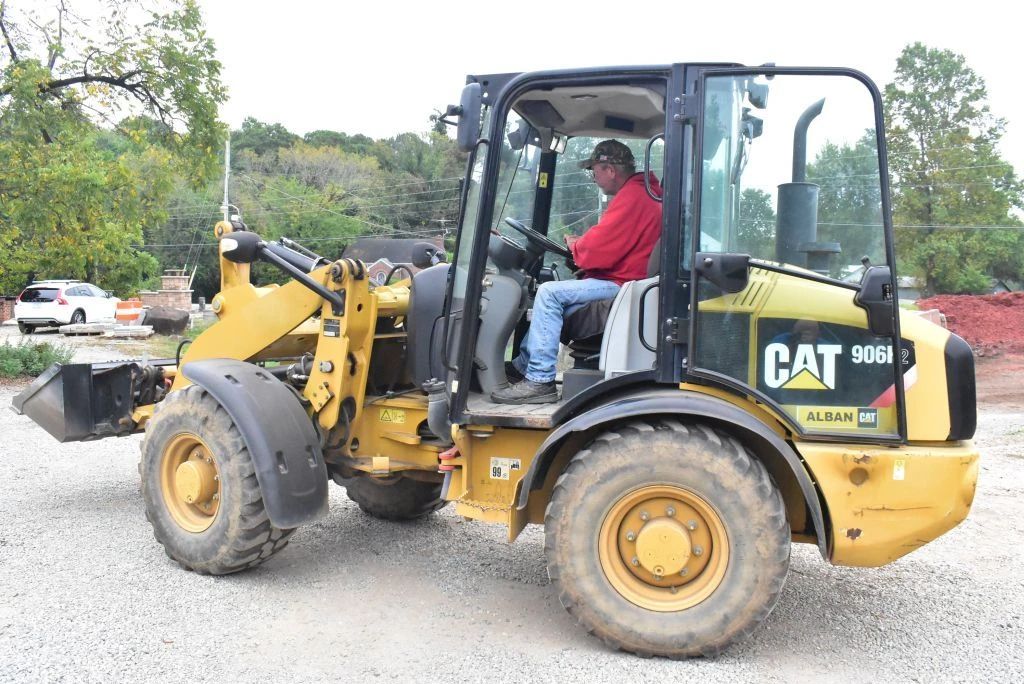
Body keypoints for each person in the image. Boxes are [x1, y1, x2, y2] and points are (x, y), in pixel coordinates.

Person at [491, 139, 663, 404]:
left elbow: (599, 248)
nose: (594, 178)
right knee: (557, 303)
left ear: (609, 169)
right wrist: (581, 247)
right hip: (629, 281)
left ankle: (539, 381)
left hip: (623, 284)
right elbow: (613, 243)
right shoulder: (644, 192)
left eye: (593, 170)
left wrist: (576, 245)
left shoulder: (633, 197)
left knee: (548, 293)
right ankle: (524, 366)